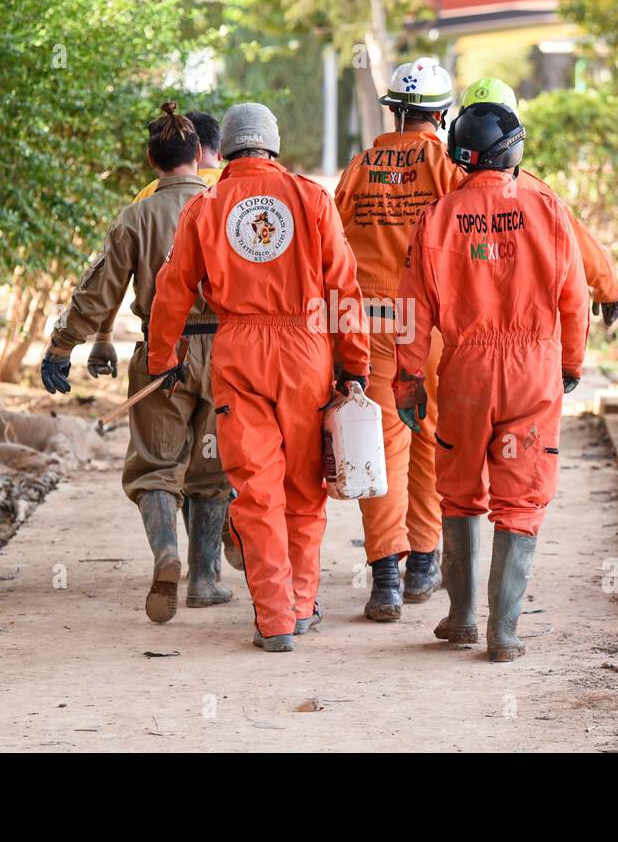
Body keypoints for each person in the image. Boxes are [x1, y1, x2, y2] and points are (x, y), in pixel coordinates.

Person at [147, 103, 369, 653]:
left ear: (221, 151)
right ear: (274, 146)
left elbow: (172, 288)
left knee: (255, 490)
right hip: (306, 352)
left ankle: (273, 622)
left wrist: (162, 360)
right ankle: (301, 604)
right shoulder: (311, 197)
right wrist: (355, 363)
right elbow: (344, 285)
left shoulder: (206, 204)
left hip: (239, 351)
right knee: (304, 487)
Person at [395, 100, 590, 663]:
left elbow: (413, 309)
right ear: (513, 150)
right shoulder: (547, 208)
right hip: (534, 369)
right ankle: (503, 632)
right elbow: (573, 296)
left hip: (465, 371)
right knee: (521, 498)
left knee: (458, 493)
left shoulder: (438, 216)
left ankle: (460, 618)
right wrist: (570, 363)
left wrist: (408, 380)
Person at [39, 101, 232, 625]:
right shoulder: (227, 205)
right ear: (200, 153)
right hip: (230, 357)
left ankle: (166, 554)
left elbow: (99, 292)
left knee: (156, 469)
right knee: (214, 470)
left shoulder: (137, 215)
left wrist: (64, 345)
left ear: (152, 159)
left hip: (164, 357)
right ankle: (207, 579)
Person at [333, 56, 461, 622]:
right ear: (442, 114)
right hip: (431, 329)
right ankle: (424, 565)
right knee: (430, 436)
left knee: (381, 445)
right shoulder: (447, 165)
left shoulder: (359, 167)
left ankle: (385, 577)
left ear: (394, 109)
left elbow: (330, 247)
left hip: (373, 326)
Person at [458, 78, 618, 326]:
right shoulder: (536, 194)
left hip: (461, 329)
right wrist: (609, 290)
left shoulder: (442, 187)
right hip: (528, 331)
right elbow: (575, 241)